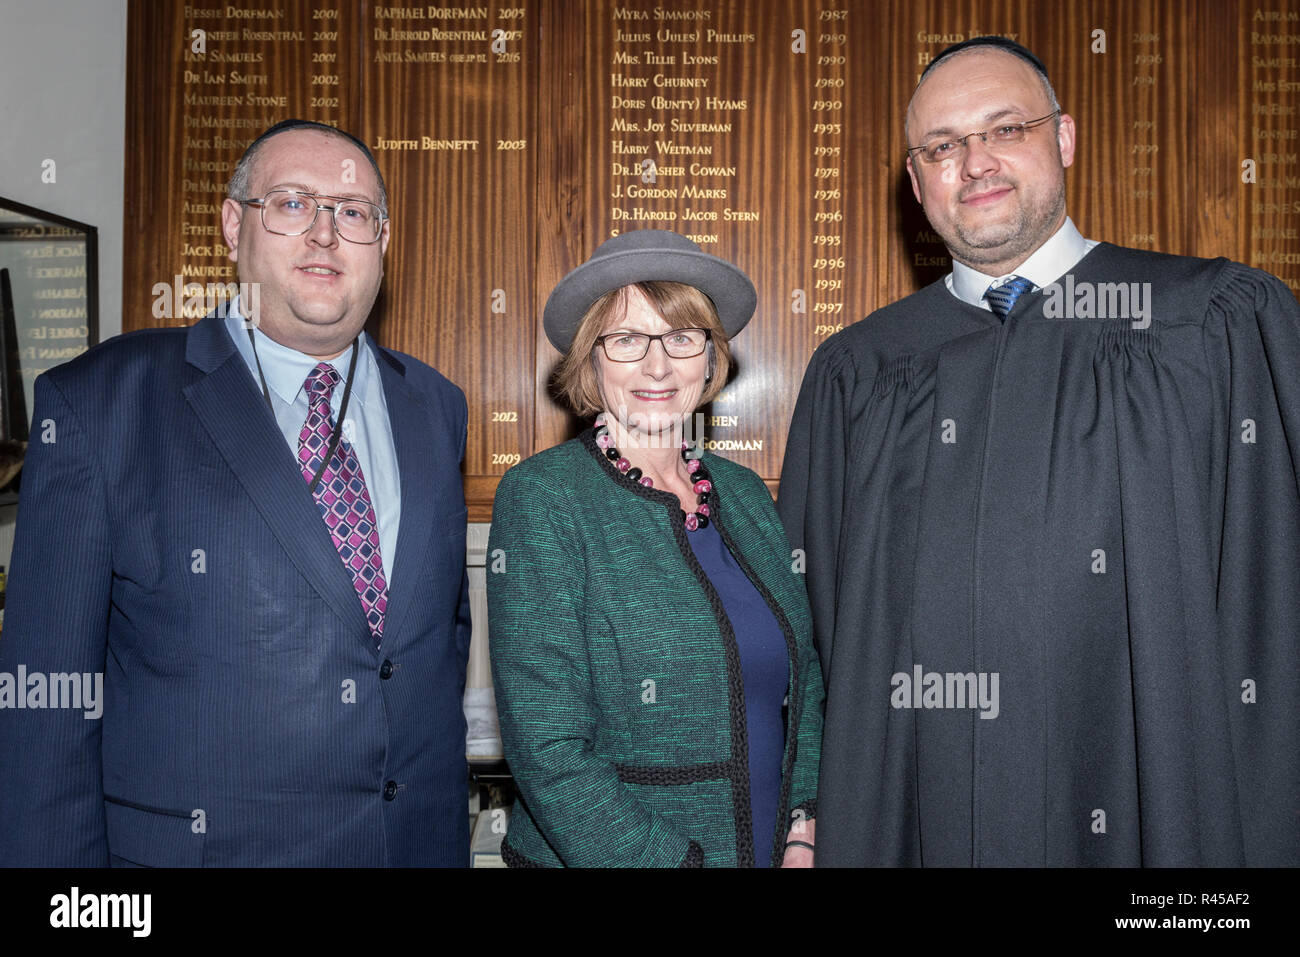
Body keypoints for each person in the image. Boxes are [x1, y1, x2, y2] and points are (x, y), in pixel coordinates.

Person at [779, 37, 1299, 867]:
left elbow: (1275, 603)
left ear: (1063, 140)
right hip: (921, 818)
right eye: (942, 146)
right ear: (917, 184)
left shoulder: (1213, 325)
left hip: (1155, 818)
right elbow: (808, 642)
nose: (974, 161)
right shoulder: (859, 373)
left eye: (1005, 128)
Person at [0, 119, 472, 866]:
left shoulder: (437, 409)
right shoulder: (101, 405)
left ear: (382, 241)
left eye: (352, 212)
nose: (325, 234)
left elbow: (434, 643)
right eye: (290, 203)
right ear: (232, 224)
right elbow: (44, 711)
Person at [487, 230, 823, 867]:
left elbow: (804, 684)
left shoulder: (746, 496)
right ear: (592, 360)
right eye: (626, 340)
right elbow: (549, 747)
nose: (658, 365)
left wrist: (803, 827)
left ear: (709, 356)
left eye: (679, 337)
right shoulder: (544, 497)